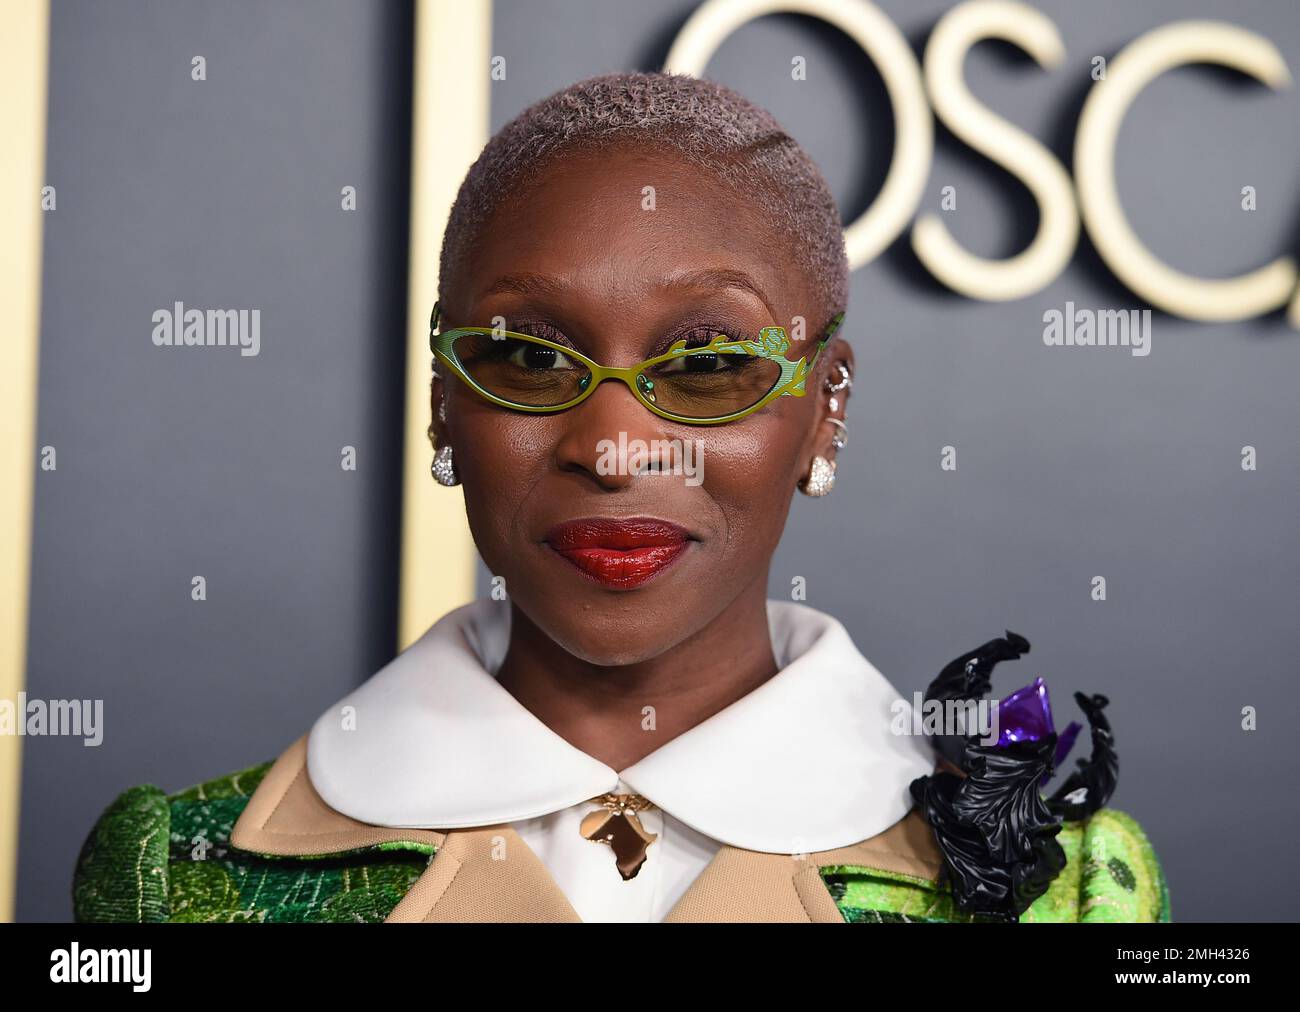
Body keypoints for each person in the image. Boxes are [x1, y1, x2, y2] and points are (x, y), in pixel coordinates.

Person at [72, 71, 1168, 923]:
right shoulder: (178, 876)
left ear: (824, 408)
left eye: (705, 364)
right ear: (442, 404)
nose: (615, 448)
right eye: (525, 357)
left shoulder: (1065, 893)